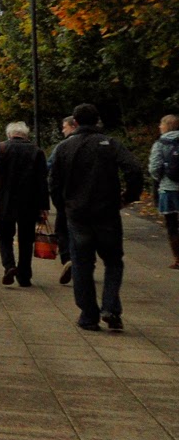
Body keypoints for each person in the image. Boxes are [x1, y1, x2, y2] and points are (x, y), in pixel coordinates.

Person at [49, 103, 143, 331]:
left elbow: (54, 181)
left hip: (78, 214)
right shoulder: (109, 144)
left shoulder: (63, 148)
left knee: (82, 264)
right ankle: (110, 307)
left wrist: (63, 206)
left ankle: (88, 314)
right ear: (97, 120)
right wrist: (127, 196)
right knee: (113, 261)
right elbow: (134, 169)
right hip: (107, 212)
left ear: (76, 122)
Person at [0, 121, 49, 287]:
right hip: (30, 201)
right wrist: (44, 207)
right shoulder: (37, 151)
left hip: (6, 199)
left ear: (9, 134)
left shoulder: (1, 148)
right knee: (26, 238)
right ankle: (24, 276)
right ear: (25, 135)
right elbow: (42, 181)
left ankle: (9, 265)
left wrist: (1, 184)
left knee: (4, 234)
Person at [47, 115, 79, 284]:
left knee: (62, 229)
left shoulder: (63, 147)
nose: (62, 130)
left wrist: (55, 197)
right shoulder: (104, 143)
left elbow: (50, 169)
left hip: (67, 198)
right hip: (93, 200)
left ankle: (67, 258)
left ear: (74, 126)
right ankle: (85, 263)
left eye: (64, 127)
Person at [148, 114, 179, 269]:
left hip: (168, 188)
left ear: (167, 126)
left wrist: (160, 179)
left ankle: (177, 259)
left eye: (161, 124)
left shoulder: (160, 143)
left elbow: (154, 167)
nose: (159, 127)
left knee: (172, 224)